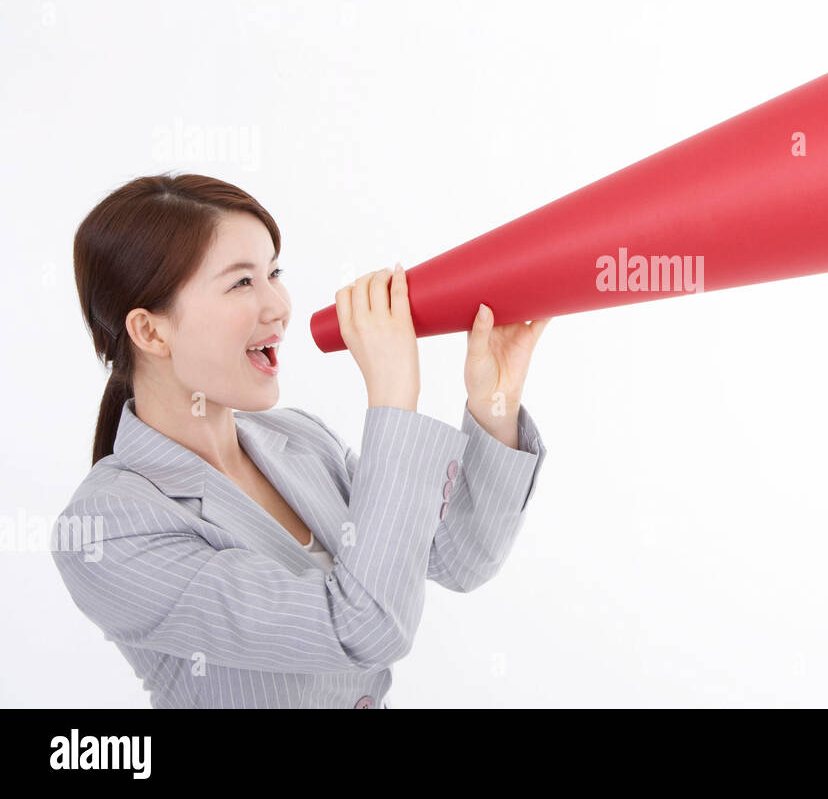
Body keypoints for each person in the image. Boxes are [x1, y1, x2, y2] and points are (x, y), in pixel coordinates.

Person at [50, 173, 550, 708]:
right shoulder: (105, 530)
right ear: (151, 332)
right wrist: (392, 398)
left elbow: (458, 557)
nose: (279, 306)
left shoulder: (301, 439)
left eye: (274, 273)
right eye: (242, 282)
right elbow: (359, 628)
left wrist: (494, 403)